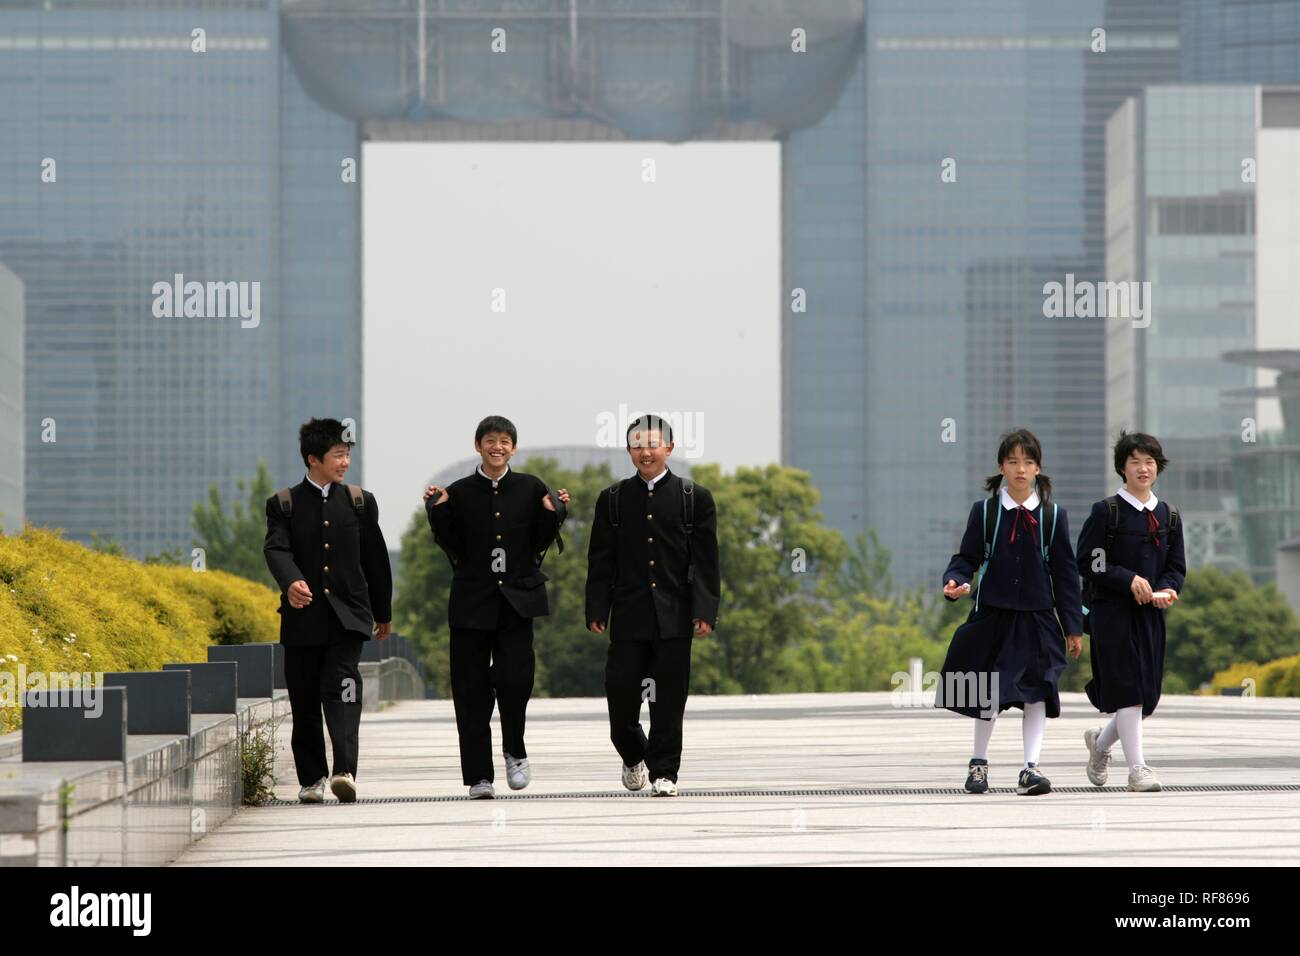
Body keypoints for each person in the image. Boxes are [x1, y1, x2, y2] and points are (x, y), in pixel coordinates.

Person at [424, 415, 568, 799]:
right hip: (471, 603)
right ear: (478, 445)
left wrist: (556, 511)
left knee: (516, 679)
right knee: (470, 690)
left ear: (514, 448)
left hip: (517, 603)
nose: (497, 447)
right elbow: (450, 543)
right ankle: (478, 776)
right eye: (490, 440)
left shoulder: (530, 487)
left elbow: (540, 541)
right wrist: (436, 511)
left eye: (505, 441)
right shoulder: (459, 491)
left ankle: (515, 750)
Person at [938, 427, 1083, 796]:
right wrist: (955, 582)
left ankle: (1030, 769)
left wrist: (1073, 626)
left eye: (1028, 462)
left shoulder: (1053, 516)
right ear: (1001, 467)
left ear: (1038, 468)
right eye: (1013, 461)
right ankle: (979, 765)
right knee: (987, 690)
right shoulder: (985, 512)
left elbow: (1066, 574)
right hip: (993, 614)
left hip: (1038, 617)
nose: (1021, 469)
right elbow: (966, 557)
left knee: (1038, 691)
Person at [585, 413, 720, 796]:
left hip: (675, 616)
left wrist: (705, 610)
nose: (646, 452)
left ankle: (665, 773)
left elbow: (707, 561)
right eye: (638, 445)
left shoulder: (694, 498)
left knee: (669, 701)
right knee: (621, 698)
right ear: (629, 450)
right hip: (628, 616)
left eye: (653, 444)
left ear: (670, 448)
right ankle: (633, 756)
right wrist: (597, 608)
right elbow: (600, 560)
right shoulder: (612, 500)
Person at [264, 417, 392, 804]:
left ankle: (344, 770)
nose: (345, 462)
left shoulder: (359, 502)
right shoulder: (283, 504)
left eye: (347, 454)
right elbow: (276, 549)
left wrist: (382, 612)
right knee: (304, 698)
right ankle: (311, 778)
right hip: (303, 620)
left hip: (348, 619)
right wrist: (290, 582)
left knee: (343, 688)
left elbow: (376, 560)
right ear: (313, 458)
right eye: (338, 455)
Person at [1079, 431, 1186, 793]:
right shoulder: (1106, 511)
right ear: (1122, 468)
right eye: (1135, 461)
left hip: (1151, 615)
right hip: (1112, 614)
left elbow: (1176, 566)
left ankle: (1101, 743)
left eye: (1150, 462)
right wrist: (1127, 580)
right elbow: (1089, 561)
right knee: (1129, 690)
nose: (1143, 468)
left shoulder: (1168, 515)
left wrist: (1168, 588)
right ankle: (1137, 769)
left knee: (1146, 697)